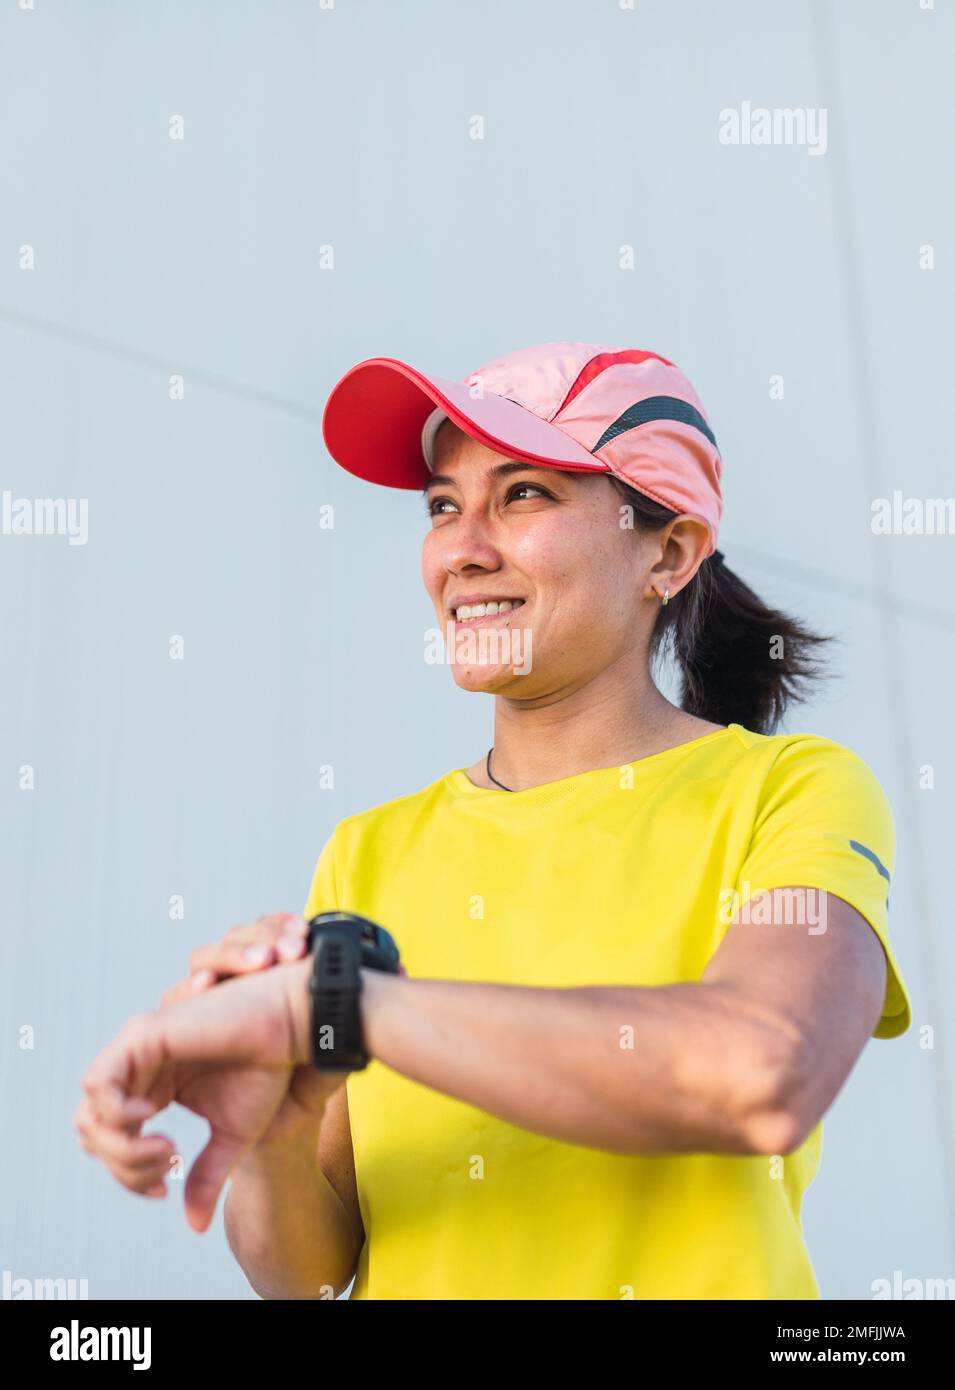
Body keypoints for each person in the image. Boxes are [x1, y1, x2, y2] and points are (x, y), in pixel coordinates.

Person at [76, 341, 912, 1301]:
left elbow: (760, 1069)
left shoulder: (789, 789)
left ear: (668, 553)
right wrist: (272, 1124)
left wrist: (346, 1007)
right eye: (442, 504)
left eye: (523, 495)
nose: (463, 549)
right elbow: (308, 1273)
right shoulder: (370, 849)